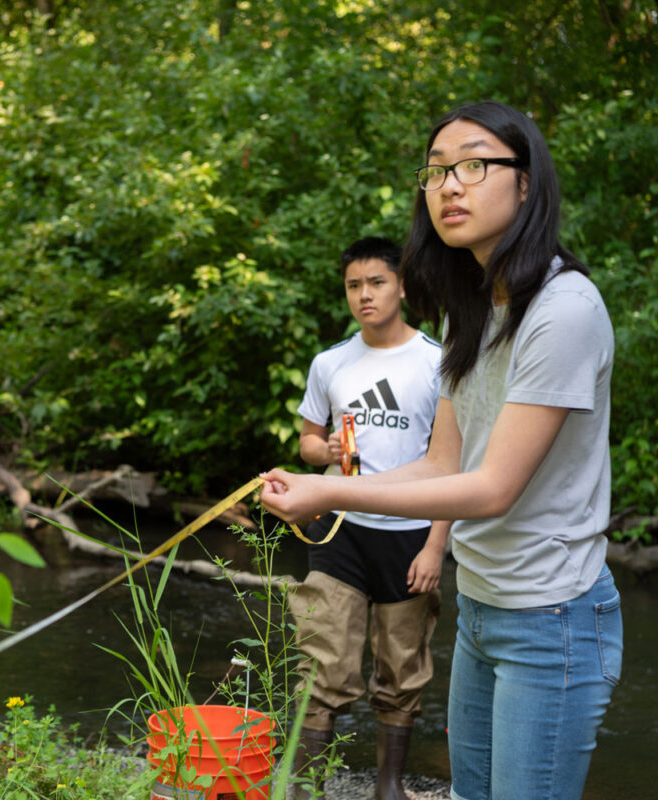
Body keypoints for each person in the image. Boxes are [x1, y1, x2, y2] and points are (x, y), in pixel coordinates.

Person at [261, 101, 622, 800]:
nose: (450, 184)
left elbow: (491, 488)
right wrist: (320, 482)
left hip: (551, 616)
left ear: (526, 183)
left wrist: (329, 490)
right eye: (436, 170)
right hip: (481, 605)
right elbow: (441, 463)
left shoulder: (564, 309)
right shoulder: (471, 308)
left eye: (474, 165)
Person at [287, 236, 449, 800]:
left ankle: (388, 788)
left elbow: (454, 466)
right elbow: (307, 441)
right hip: (338, 530)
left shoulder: (437, 362)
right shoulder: (330, 362)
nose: (364, 295)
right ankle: (306, 789)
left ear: (402, 285)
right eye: (353, 285)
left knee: (402, 668)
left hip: (409, 535)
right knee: (323, 660)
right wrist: (324, 451)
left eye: (376, 282)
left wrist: (435, 547)